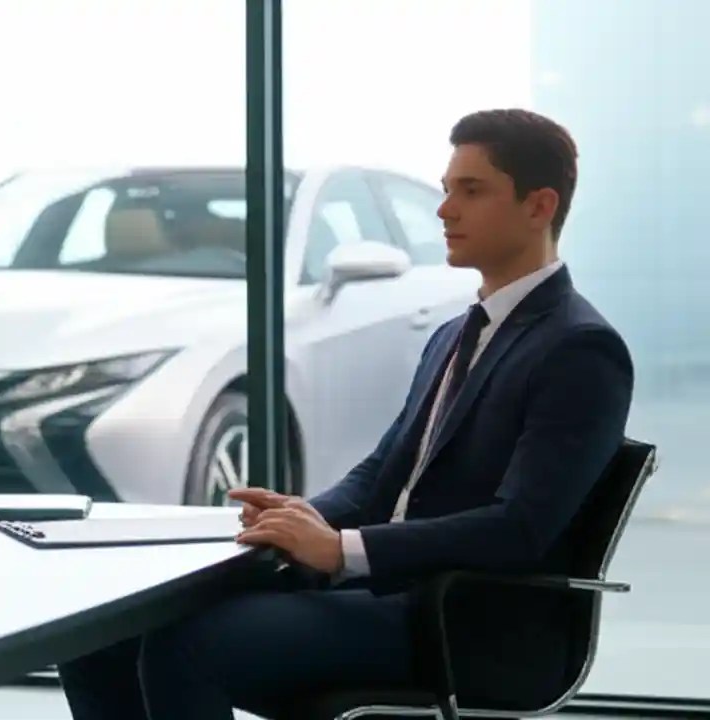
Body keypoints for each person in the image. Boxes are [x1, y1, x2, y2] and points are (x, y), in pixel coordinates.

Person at [57, 108, 634, 719]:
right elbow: (385, 468)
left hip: (464, 621)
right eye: (446, 190)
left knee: (186, 644)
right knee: (102, 632)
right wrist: (304, 515)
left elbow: (520, 528)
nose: (444, 210)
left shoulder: (580, 349)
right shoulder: (453, 333)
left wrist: (341, 549)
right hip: (385, 591)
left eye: (471, 191)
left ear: (539, 206)